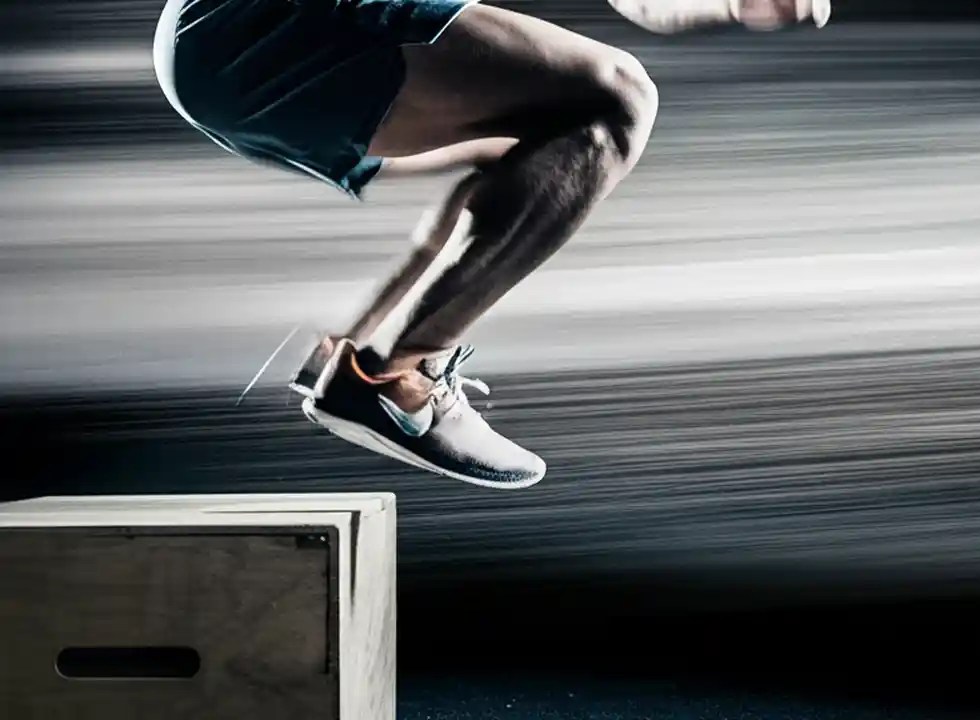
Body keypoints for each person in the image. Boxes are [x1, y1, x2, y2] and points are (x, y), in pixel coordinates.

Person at [153, 0, 829, 489]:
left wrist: (736, 7)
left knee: (534, 153)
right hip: (264, 27)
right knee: (615, 98)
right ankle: (390, 379)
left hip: (210, 57)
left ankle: (346, 347)